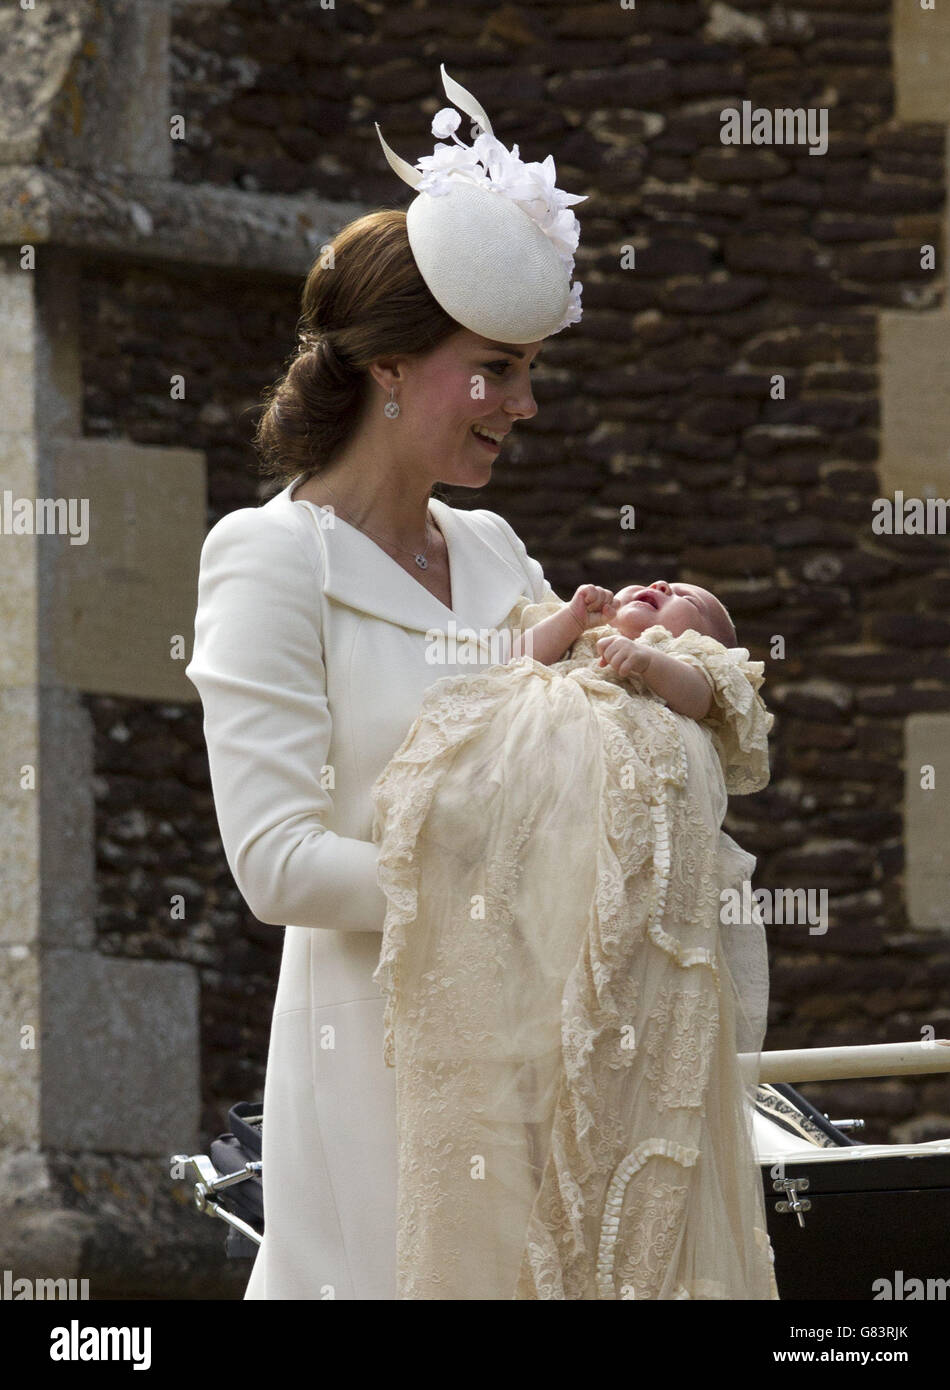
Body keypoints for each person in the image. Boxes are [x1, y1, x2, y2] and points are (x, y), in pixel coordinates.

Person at [185, 66, 586, 1300]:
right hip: (368, 1055)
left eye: (527, 373)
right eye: (497, 368)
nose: (521, 405)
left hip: (527, 1055)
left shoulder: (493, 551)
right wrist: (481, 871)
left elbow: (561, 760)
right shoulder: (269, 558)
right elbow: (275, 864)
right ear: (394, 366)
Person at [370, 578, 779, 1298]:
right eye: (651, 580)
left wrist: (648, 659)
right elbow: (505, 666)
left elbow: (702, 696)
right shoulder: (571, 646)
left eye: (685, 595)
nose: (658, 585)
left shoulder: (685, 662)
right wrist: (567, 622)